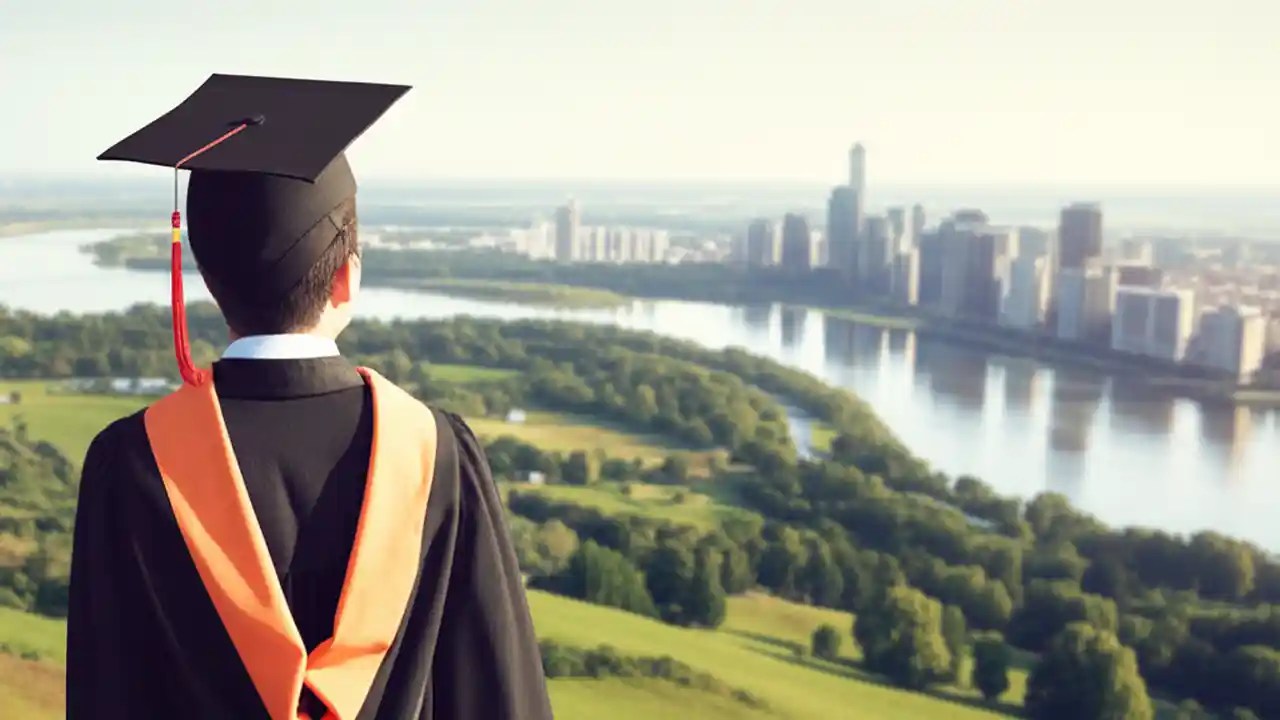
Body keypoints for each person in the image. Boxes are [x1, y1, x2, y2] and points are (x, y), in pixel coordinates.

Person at [66, 73, 554, 720]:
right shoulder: (436, 456)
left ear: (209, 283)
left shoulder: (133, 464)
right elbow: (499, 697)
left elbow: (108, 698)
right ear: (347, 279)